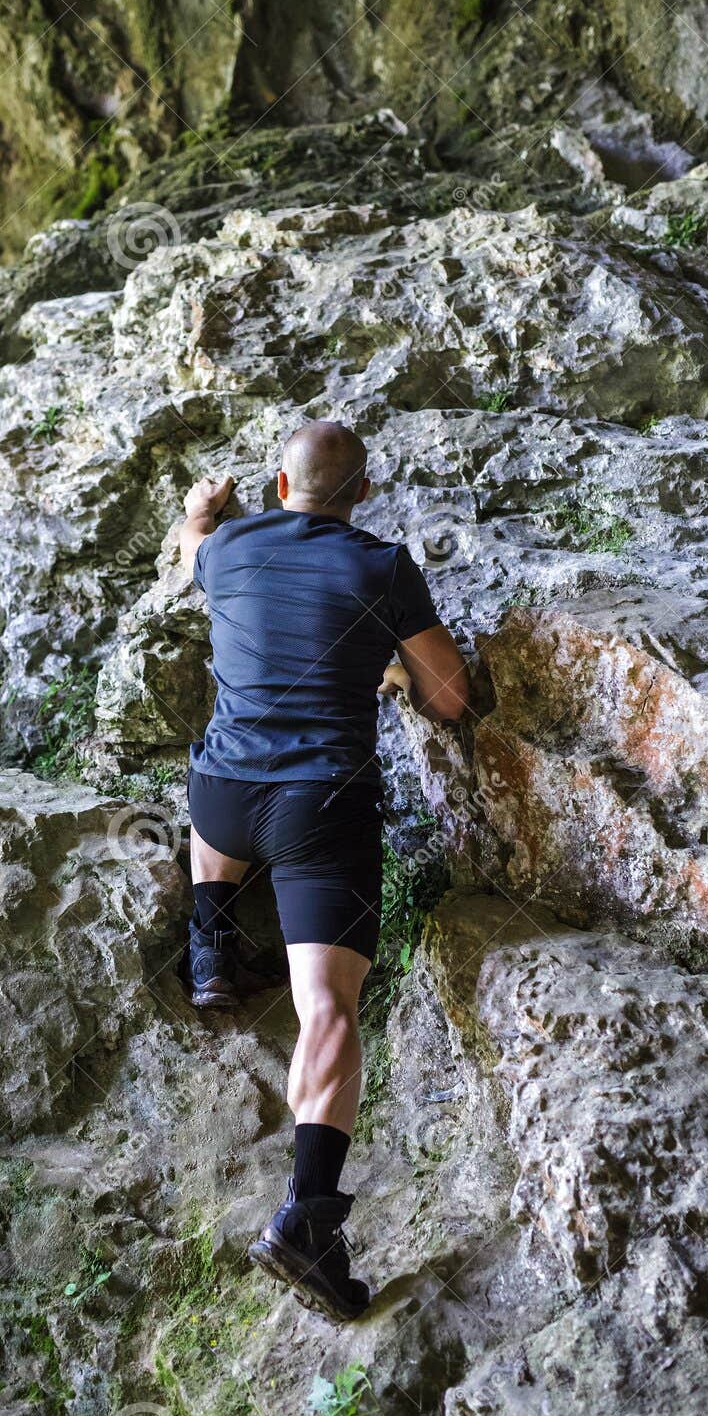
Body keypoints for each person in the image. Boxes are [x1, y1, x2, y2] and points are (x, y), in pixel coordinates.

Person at [178, 422, 471, 1322]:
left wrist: (197, 513)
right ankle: (307, 1217)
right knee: (328, 1010)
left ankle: (211, 947)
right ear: (364, 493)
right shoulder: (380, 566)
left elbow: (191, 551)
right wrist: (393, 673)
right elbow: (450, 698)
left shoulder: (225, 548)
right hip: (318, 813)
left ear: (278, 484)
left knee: (221, 759)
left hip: (221, 802)